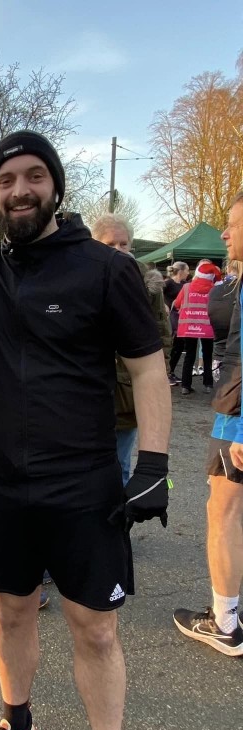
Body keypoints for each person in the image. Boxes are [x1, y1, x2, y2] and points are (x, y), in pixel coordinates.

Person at [0, 130, 171, 730]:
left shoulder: (107, 269)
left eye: (34, 176)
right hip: (1, 482)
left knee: (96, 628)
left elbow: (147, 367)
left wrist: (153, 460)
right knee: (12, 608)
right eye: (7, 179)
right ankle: (17, 722)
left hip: (84, 482)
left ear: (54, 187)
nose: (20, 188)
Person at [174, 192, 243, 654]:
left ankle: (224, 622)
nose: (224, 232)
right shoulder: (235, 283)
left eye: (233, 223)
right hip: (231, 401)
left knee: (224, 511)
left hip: (237, 413)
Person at [90, 213, 172, 485]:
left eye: (123, 244)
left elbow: (162, 336)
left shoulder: (147, 283)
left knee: (121, 463)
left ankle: (119, 523)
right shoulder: (83, 278)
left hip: (127, 392)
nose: (119, 250)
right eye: (110, 244)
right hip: (89, 389)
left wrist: (157, 381)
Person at [173, 260, 223, 395]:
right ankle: (208, 384)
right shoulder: (215, 289)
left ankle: (185, 385)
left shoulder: (186, 287)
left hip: (189, 326)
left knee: (189, 355)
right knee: (207, 355)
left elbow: (177, 304)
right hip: (207, 327)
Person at [165, 262, 190, 385]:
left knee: (179, 346)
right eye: (187, 270)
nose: (188, 273)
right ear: (181, 271)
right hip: (171, 317)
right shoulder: (169, 283)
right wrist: (164, 305)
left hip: (182, 318)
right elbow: (158, 294)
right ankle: (167, 373)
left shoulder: (185, 284)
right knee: (172, 345)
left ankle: (172, 371)